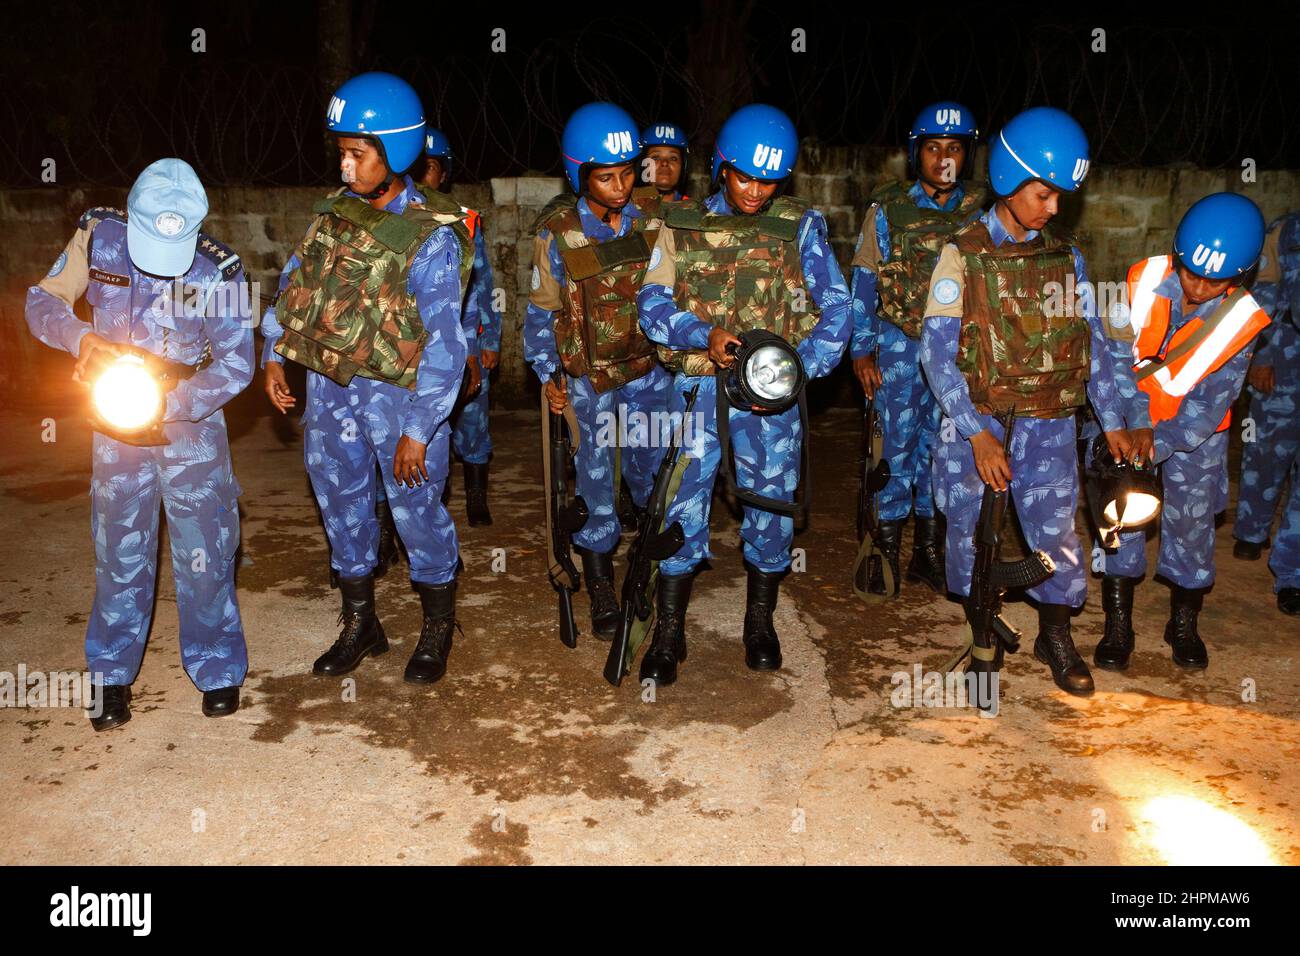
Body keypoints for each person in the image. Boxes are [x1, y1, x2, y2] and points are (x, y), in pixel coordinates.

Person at [260, 72, 475, 685]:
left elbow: (446, 343)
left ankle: (436, 626)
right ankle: (362, 624)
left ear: (397, 151)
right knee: (341, 505)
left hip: (401, 400)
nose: (347, 166)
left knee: (416, 511)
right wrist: (274, 352)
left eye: (359, 153)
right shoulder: (333, 213)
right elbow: (296, 286)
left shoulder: (432, 236)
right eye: (342, 153)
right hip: (331, 392)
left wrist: (420, 428)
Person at [26, 158, 252, 730]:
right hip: (114, 425)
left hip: (190, 424)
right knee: (119, 549)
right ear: (131, 217)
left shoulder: (220, 271)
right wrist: (82, 339)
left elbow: (238, 366)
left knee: (206, 552)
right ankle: (110, 675)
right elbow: (42, 301)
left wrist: (170, 404)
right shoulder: (98, 237)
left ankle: (217, 667)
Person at [919, 106, 1137, 697]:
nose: (1054, 208)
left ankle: (1055, 636)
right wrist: (974, 431)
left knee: (1056, 534)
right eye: (1044, 194)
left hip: (1047, 421)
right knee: (969, 532)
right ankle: (981, 632)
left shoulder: (1067, 258)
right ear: (1009, 183)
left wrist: (1112, 419)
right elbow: (936, 355)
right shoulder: (960, 256)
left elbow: (1089, 339)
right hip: (982, 418)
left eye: (1061, 195)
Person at [637, 103, 851, 685]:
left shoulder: (800, 225)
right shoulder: (677, 225)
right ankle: (668, 632)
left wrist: (792, 371)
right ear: (721, 168)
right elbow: (651, 306)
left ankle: (760, 622)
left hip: (770, 400)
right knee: (680, 504)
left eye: (770, 179)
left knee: (771, 507)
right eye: (745, 176)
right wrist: (699, 333)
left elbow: (838, 306)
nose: (757, 190)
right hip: (699, 389)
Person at [1093, 193, 1271, 668]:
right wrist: (1121, 425)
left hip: (1196, 437)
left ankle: (1184, 623)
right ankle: (1118, 620)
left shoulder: (1243, 321)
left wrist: (1163, 438)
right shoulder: (1135, 281)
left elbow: (1214, 400)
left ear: (1239, 277)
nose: (1196, 288)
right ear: (1177, 254)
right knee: (1122, 511)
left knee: (1191, 528)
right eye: (1191, 272)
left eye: (1214, 283)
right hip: (1128, 426)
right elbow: (1106, 364)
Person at [523, 101, 674, 640]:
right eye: (605, 176)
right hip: (588, 381)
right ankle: (601, 583)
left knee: (652, 474)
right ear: (579, 174)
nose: (619, 185)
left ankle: (649, 571)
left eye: (628, 172)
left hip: (649, 374)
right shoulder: (558, 233)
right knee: (594, 484)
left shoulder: (655, 223)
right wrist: (549, 375)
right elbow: (541, 312)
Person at [849, 101, 986, 595]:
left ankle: (928, 550)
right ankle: (884, 549)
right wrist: (861, 350)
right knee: (894, 446)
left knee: (943, 448)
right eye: (933, 148)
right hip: (899, 347)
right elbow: (863, 280)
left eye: (954, 149)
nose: (944, 159)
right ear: (916, 153)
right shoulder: (886, 209)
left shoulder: (984, 211)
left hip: (957, 356)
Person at [420, 127, 502, 526]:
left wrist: (488, 340)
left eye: (430, 168)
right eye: (416, 167)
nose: (423, 176)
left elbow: (483, 286)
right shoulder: (392, 220)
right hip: (412, 345)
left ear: (444, 173)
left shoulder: (466, 222)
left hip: (465, 336)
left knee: (473, 417)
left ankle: (476, 495)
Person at [1234, 211, 1300, 616]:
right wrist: (1259, 354)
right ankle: (1251, 528)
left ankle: (1292, 572)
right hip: (1284, 359)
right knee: (1266, 452)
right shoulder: (1285, 232)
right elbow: (1261, 297)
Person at [640, 122, 690, 200]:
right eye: (655, 158)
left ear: (683, 167)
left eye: (673, 158)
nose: (664, 163)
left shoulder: (694, 210)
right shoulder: (624, 208)